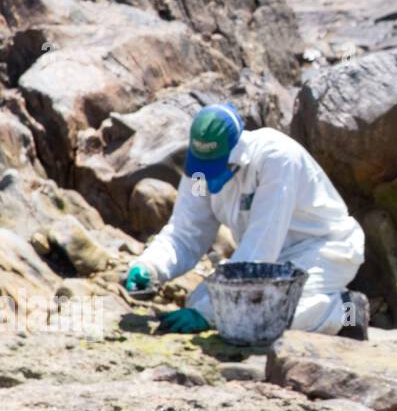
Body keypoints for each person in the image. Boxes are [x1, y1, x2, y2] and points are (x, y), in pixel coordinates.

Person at [122, 104, 369, 339]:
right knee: (198, 302)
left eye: (216, 165)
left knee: (252, 319)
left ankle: (346, 312)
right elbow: (185, 233)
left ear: (235, 149)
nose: (208, 175)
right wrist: (149, 266)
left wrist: (211, 315)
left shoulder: (277, 159)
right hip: (267, 260)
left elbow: (260, 249)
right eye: (203, 167)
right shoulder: (200, 173)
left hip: (322, 251)